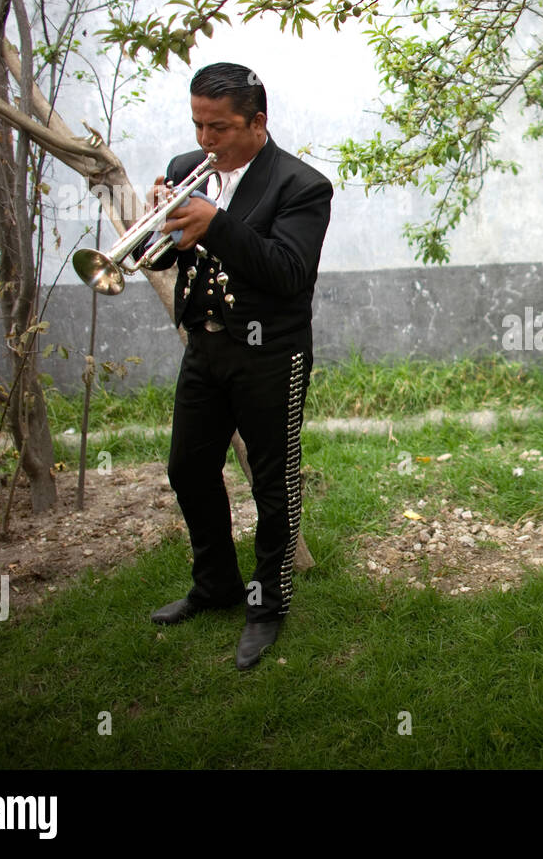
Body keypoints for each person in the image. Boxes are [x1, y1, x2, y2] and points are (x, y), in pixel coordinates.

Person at [141, 62, 332, 670]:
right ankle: (215, 583)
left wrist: (216, 226)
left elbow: (287, 272)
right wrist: (160, 226)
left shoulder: (302, 186)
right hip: (206, 346)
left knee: (274, 485)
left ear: (258, 123)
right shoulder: (185, 171)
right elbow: (167, 253)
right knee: (188, 469)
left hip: (272, 354)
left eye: (218, 128)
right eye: (198, 124)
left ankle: (266, 603)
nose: (204, 141)